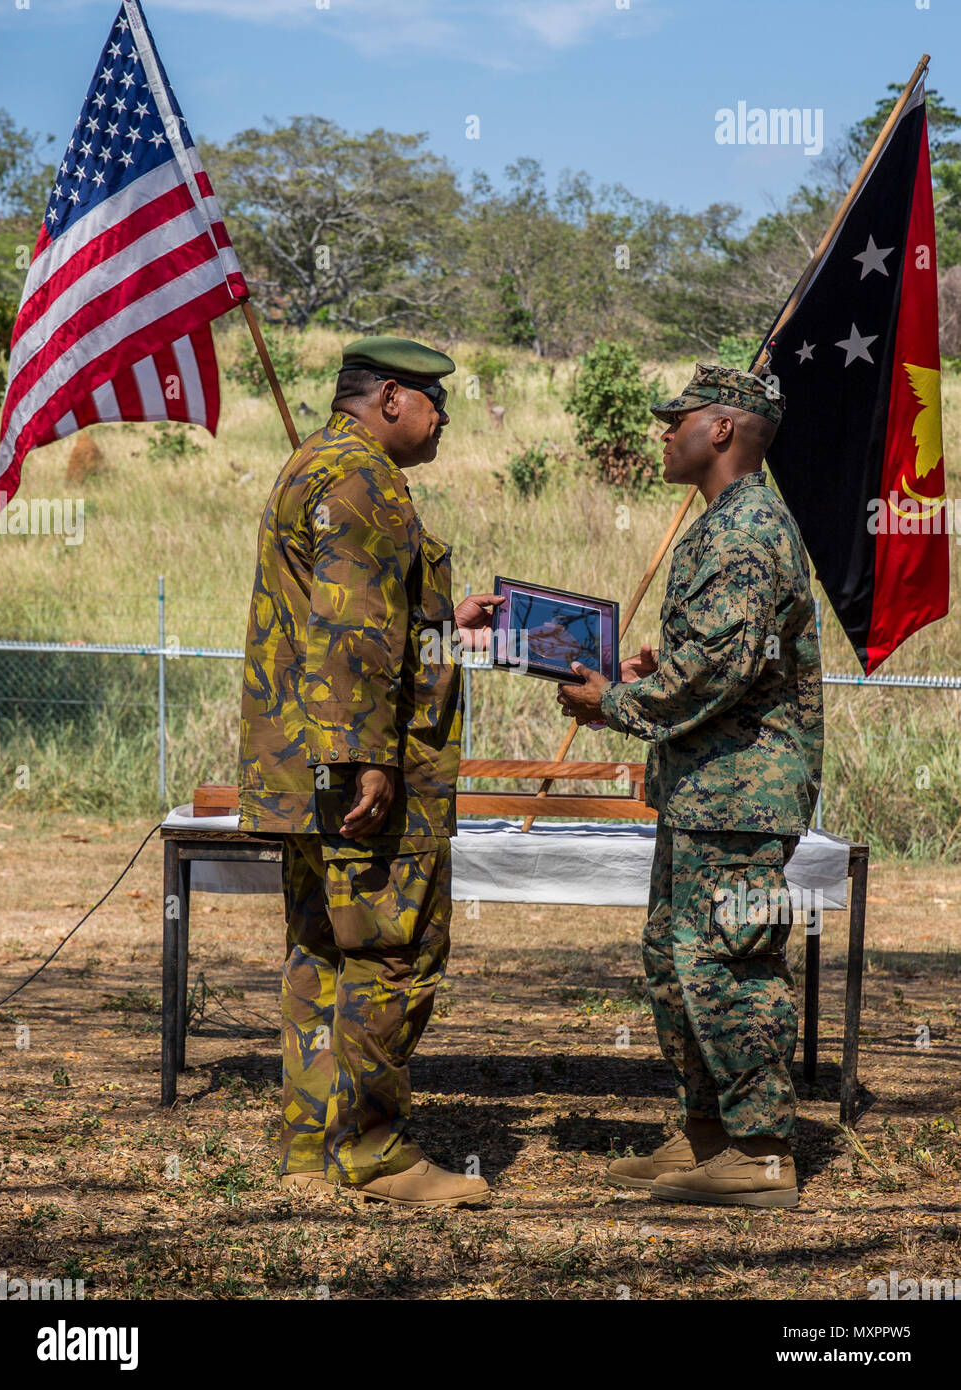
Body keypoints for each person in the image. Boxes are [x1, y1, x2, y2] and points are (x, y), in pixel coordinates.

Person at [238, 335, 504, 1208]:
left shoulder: (315, 463)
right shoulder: (366, 479)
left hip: (301, 769)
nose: (444, 418)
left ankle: (314, 1144)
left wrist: (439, 614)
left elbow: (357, 611)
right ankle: (375, 1149)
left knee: (321, 951)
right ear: (391, 397)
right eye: (433, 401)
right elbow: (350, 635)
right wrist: (366, 763)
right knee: (393, 953)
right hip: (357, 775)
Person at [556, 364, 824, 1209]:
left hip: (744, 795)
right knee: (676, 964)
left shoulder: (747, 531)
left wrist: (617, 701)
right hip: (705, 791)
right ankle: (708, 1132)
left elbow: (719, 671)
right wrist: (650, 672)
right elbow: (713, 661)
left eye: (679, 419)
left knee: (729, 963)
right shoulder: (724, 524)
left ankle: (762, 1150)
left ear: (722, 431)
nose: (665, 431)